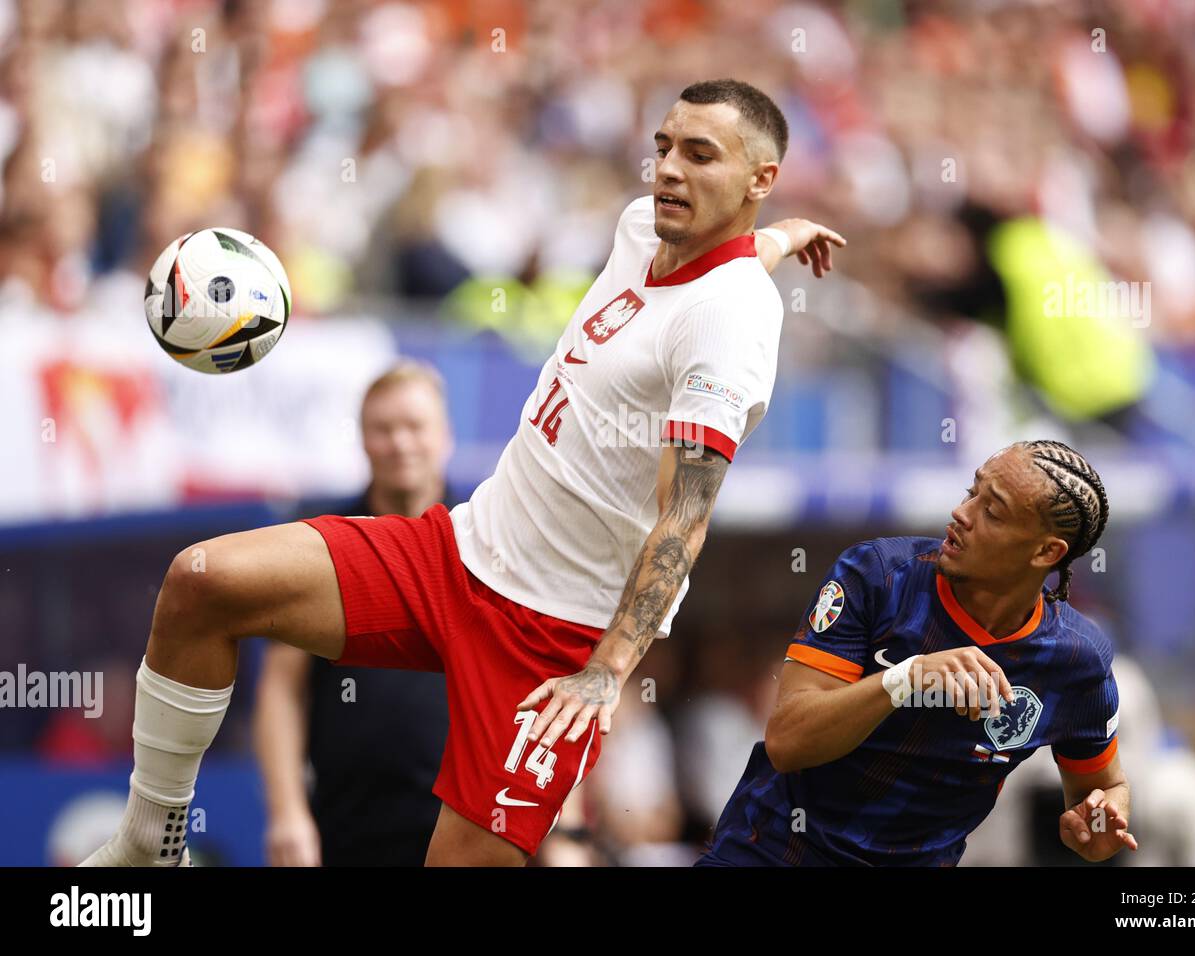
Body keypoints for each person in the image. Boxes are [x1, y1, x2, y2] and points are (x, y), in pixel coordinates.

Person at [81, 78, 847, 867]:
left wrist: (609, 673)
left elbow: (684, 517)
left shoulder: (733, 320)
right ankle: (148, 847)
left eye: (699, 154)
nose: (668, 170)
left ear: (759, 178)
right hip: (458, 551)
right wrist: (780, 235)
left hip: (551, 640)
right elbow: (731, 251)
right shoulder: (639, 230)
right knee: (202, 580)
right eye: (662, 147)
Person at [698, 440, 1139, 866]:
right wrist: (904, 679)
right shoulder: (878, 578)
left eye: (992, 511)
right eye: (972, 491)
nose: (961, 513)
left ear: (1046, 551)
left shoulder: (1077, 660)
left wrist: (1097, 826)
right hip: (771, 853)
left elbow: (1103, 790)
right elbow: (787, 742)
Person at [252, 362, 454, 867]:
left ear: (444, 436)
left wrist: (567, 826)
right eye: (383, 429)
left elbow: (536, 682)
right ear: (363, 441)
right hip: (345, 834)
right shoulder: (322, 548)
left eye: (414, 426)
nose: (400, 443)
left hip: (465, 834)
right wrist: (286, 813)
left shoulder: (484, 541)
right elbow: (280, 688)